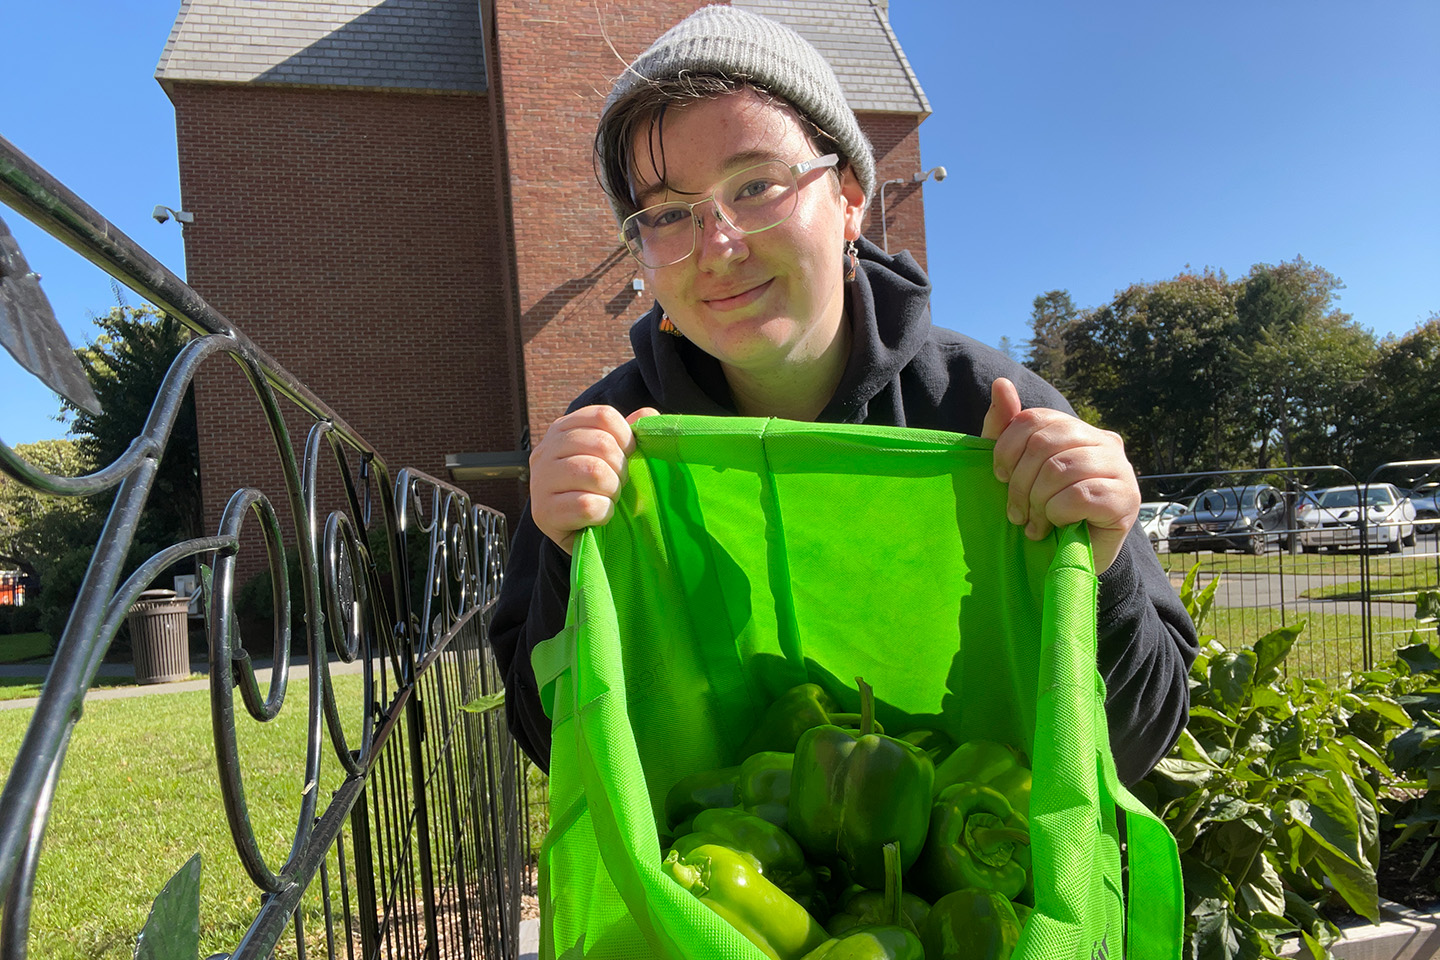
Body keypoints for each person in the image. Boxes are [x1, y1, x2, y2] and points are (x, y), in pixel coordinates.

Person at [490, 5, 1197, 786]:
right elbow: (554, 748)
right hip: (696, 864)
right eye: (666, 213)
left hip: (976, 860)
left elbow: (1136, 740)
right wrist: (567, 563)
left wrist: (1102, 565)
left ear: (850, 196)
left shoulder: (989, 409)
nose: (717, 245)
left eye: (756, 185)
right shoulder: (610, 446)